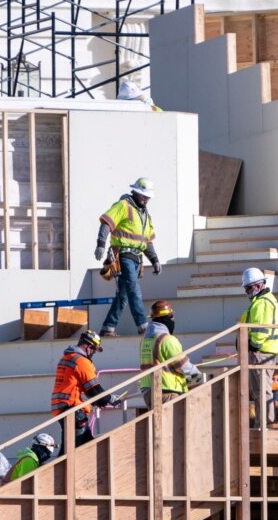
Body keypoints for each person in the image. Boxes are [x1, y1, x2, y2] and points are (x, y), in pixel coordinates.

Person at [96, 178, 162, 336]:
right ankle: (142, 325)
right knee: (134, 290)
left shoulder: (145, 214)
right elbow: (106, 223)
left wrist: (155, 260)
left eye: (148, 197)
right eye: (143, 195)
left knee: (124, 294)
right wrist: (100, 244)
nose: (146, 199)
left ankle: (108, 327)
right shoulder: (123, 205)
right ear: (136, 192)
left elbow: (146, 241)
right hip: (124, 255)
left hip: (136, 259)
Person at [50, 329, 121, 452]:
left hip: (62, 407)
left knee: (88, 447)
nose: (93, 353)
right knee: (71, 450)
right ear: (88, 346)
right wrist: (109, 399)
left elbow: (81, 387)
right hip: (73, 409)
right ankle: (60, 471)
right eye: (93, 349)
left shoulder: (67, 357)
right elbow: (94, 389)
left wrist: (98, 402)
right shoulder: (82, 361)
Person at [139, 300, 206, 409]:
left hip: (148, 392)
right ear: (167, 318)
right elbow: (183, 366)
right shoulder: (167, 340)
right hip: (167, 391)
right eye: (172, 317)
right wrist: (199, 377)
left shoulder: (145, 340)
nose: (173, 320)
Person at [238, 268, 278, 425]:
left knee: (262, 391)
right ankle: (261, 424)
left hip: (261, 353)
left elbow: (260, 329)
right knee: (258, 392)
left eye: (249, 288)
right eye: (246, 288)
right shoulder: (261, 302)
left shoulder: (262, 303)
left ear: (259, 285)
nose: (247, 292)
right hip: (262, 353)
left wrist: (252, 346)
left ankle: (265, 425)